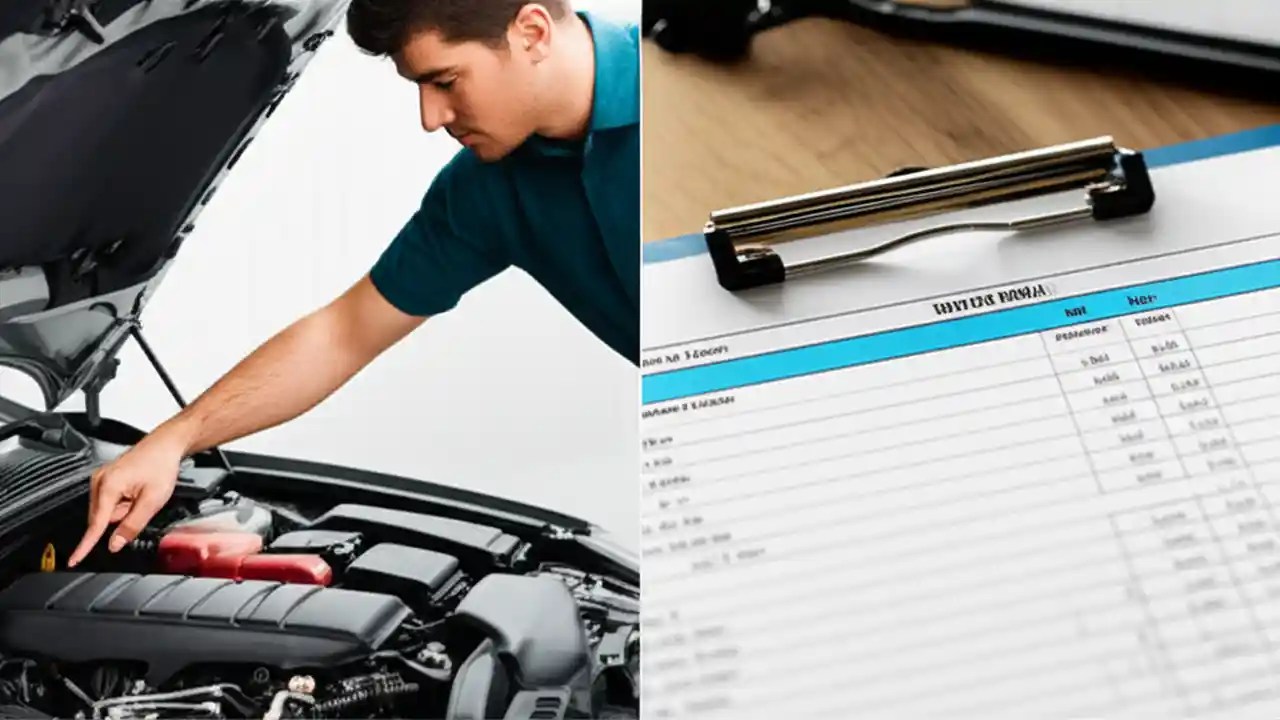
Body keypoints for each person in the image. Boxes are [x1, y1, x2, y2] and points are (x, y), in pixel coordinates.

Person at [67, 0, 639, 567]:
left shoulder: (708, 78)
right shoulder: (485, 190)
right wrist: (172, 440)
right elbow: (344, 332)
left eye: (444, 80)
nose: (430, 116)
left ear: (533, 33)